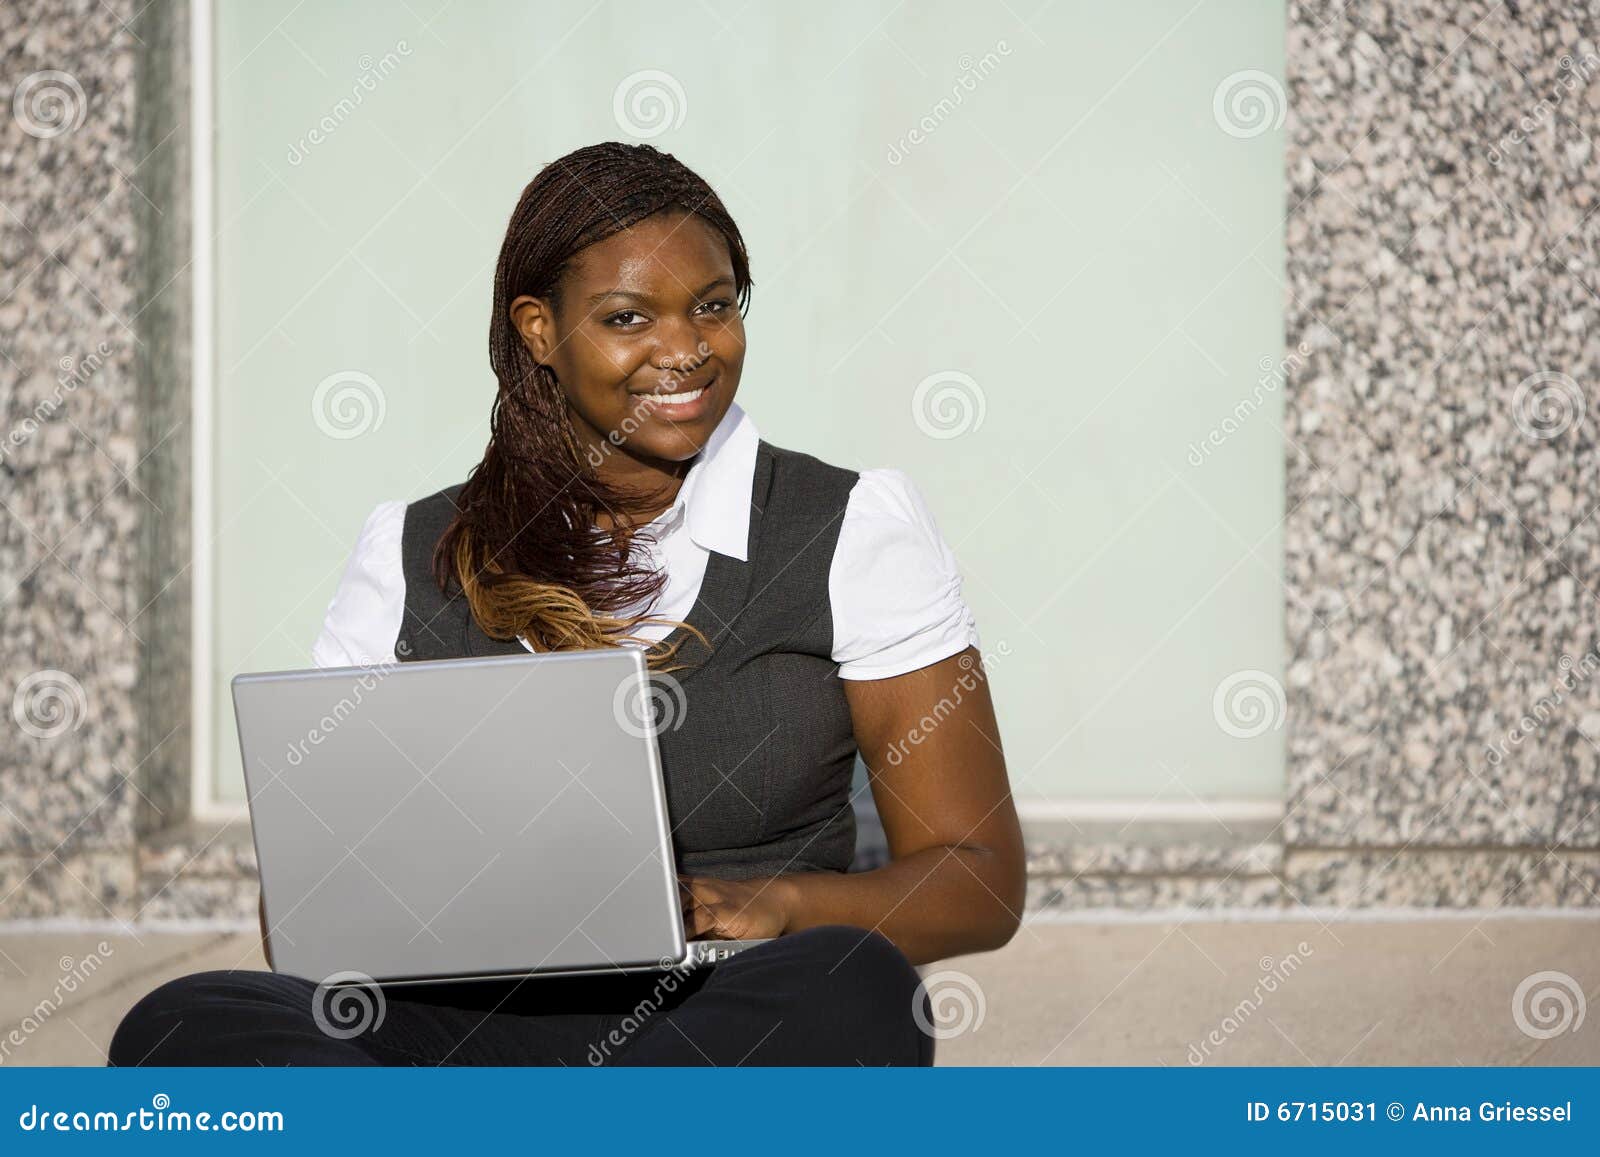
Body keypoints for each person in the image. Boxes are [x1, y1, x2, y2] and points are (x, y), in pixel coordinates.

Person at [109, 141, 1024, 1067]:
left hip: (712, 1016)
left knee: (855, 989)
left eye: (714, 305)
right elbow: (309, 912)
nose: (687, 349)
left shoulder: (851, 527)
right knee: (182, 1023)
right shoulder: (412, 549)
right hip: (457, 1025)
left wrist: (783, 907)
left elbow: (979, 879)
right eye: (629, 316)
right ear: (539, 329)